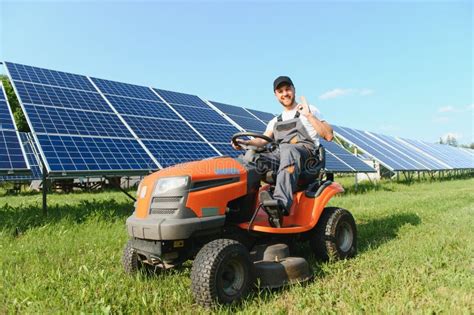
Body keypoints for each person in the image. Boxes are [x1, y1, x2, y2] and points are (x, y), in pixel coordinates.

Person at [232, 76, 334, 227]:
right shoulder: (275, 121)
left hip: (308, 159)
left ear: (294, 90)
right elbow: (262, 141)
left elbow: (329, 135)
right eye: (280, 91)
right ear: (276, 95)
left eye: (287, 89)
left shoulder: (310, 110)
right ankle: (238, 207)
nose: (285, 93)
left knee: (288, 149)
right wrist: (246, 143)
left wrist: (309, 115)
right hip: (282, 156)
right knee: (250, 157)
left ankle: (279, 205)